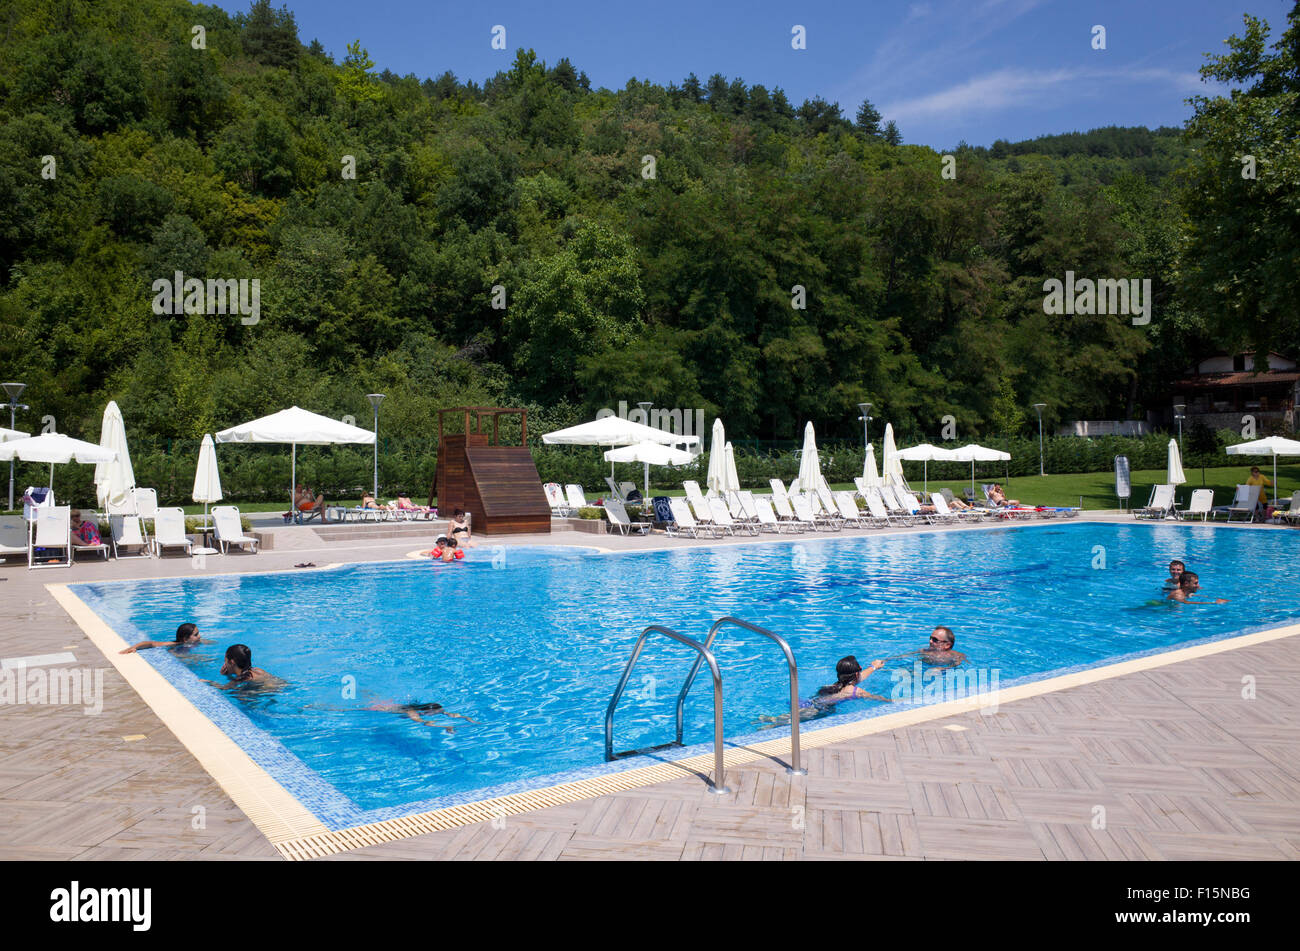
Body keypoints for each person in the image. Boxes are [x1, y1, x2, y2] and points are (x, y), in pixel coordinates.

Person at [758, 655, 889, 726]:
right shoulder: (854, 691)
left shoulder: (838, 684)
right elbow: (875, 697)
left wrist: (874, 667)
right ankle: (770, 723)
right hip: (817, 710)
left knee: (786, 719)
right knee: (787, 722)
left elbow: (860, 676)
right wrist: (892, 701)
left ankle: (768, 720)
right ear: (855, 675)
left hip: (811, 702)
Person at [367, 700, 477, 732]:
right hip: (381, 708)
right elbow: (424, 722)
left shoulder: (434, 709)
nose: (441, 712)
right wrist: (445, 727)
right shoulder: (411, 713)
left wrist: (469, 719)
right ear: (428, 712)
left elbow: (455, 715)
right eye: (436, 712)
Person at [209, 644, 276, 687]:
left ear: (232, 662)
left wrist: (209, 682)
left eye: (225, 661)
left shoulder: (240, 679)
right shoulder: (257, 670)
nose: (224, 664)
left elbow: (223, 689)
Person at [121, 622, 205, 654]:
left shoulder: (199, 641)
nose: (199, 636)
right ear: (185, 639)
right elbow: (151, 643)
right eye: (196, 635)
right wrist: (134, 647)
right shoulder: (175, 644)